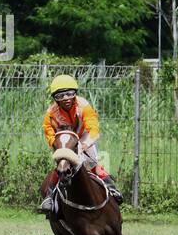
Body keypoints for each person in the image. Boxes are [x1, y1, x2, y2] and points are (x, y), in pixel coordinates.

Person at [38, 74, 122, 213]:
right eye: (60, 96)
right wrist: (57, 146)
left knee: (91, 163)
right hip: (63, 139)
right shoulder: (51, 112)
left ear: (75, 93)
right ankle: (49, 196)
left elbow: (94, 129)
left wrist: (84, 145)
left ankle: (112, 188)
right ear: (55, 98)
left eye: (69, 94)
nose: (66, 99)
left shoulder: (84, 106)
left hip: (83, 135)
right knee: (62, 164)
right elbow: (48, 131)